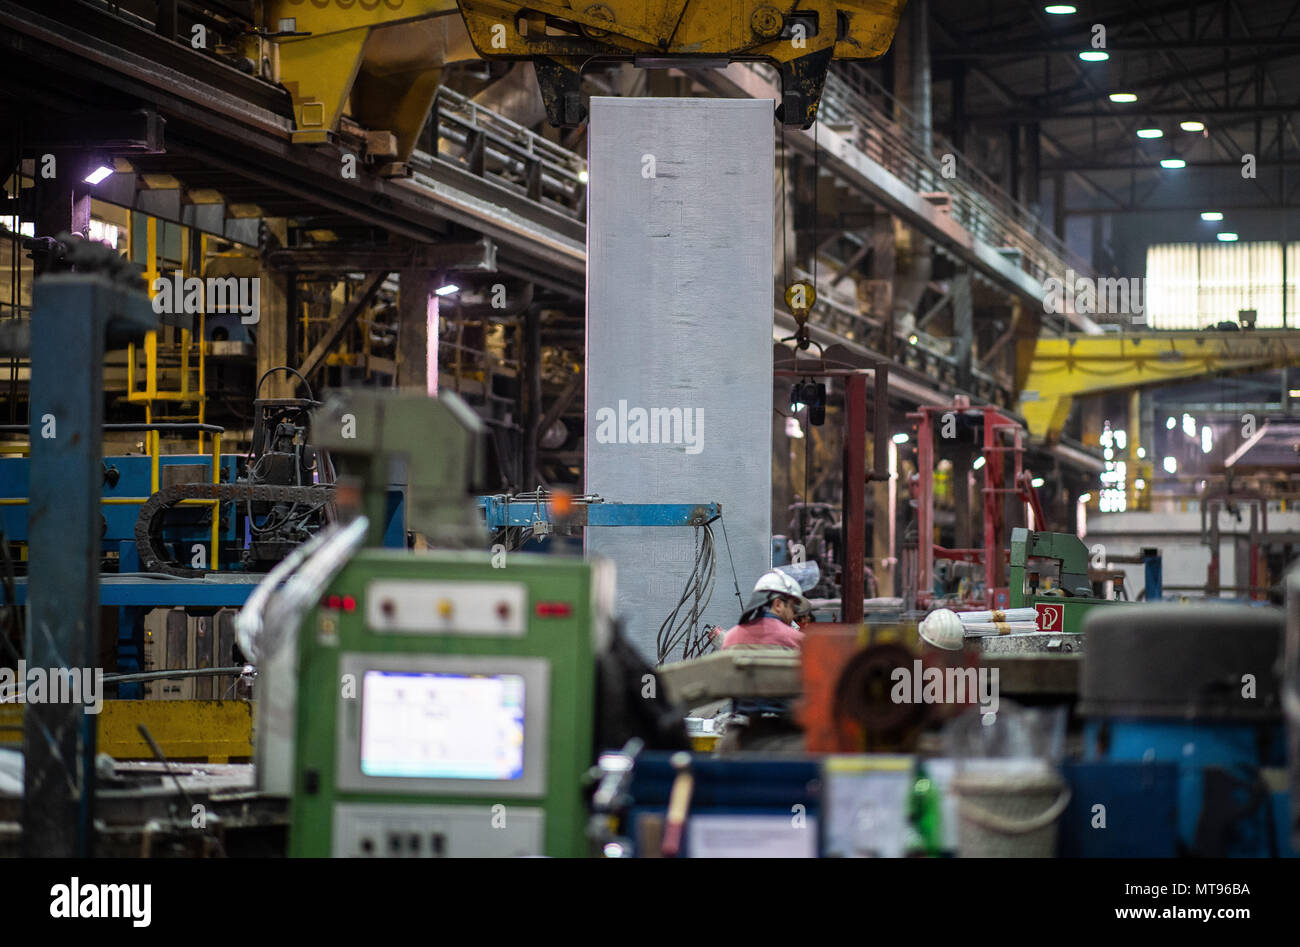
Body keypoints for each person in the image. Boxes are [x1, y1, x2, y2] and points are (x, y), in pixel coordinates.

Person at [719, 570, 811, 650]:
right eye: (793, 609)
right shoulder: (798, 641)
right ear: (778, 604)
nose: (793, 616)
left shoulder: (732, 638)